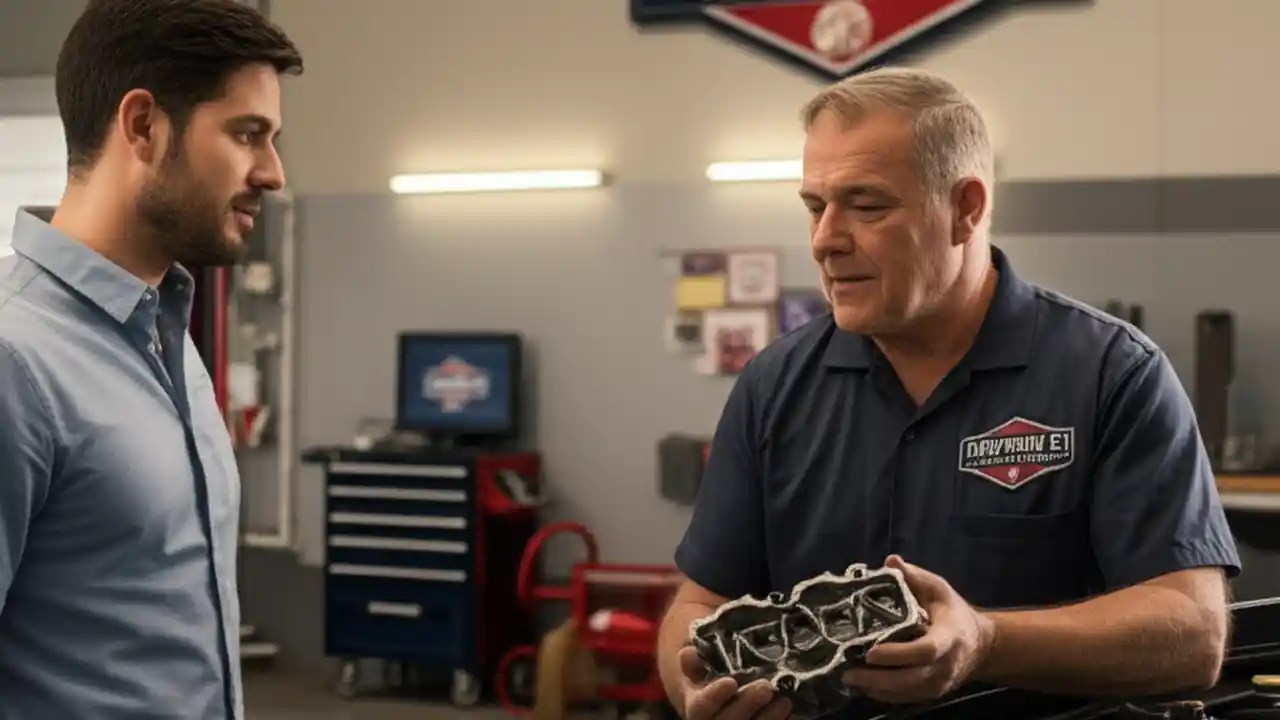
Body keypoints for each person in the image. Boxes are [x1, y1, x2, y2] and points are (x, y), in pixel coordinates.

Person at [657, 67, 1241, 720]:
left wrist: (987, 640)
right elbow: (698, 605)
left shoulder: (1112, 374)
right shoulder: (775, 385)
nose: (825, 240)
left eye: (867, 205)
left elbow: (1192, 633)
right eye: (816, 206)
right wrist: (696, 692)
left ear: (966, 209)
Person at [0, 1, 302, 717]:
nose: (274, 172)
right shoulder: (17, 365)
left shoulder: (166, 335)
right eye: (247, 134)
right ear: (143, 126)